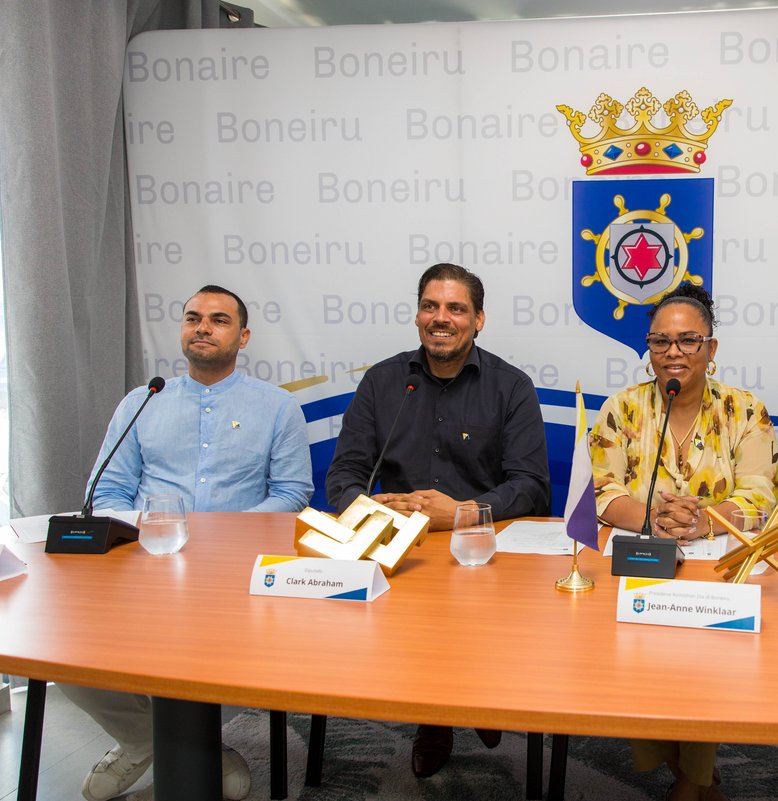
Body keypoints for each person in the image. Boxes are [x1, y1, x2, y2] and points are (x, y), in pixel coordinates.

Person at [61, 285, 313, 801]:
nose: (203, 327)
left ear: (242, 337)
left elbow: (292, 494)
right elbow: (105, 491)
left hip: (234, 574)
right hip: (142, 564)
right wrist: (151, 531)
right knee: (62, 640)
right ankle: (147, 738)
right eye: (193, 317)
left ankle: (184, 743)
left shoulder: (277, 407)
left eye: (218, 320)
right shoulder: (143, 401)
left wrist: (217, 537)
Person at [324, 262, 551, 778]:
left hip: (483, 552)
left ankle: (480, 695)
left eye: (455, 308)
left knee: (474, 610)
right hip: (400, 549)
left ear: (479, 320)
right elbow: (344, 474)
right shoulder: (384, 382)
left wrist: (466, 513)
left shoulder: (510, 386)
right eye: (431, 306)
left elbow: (532, 486)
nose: (440, 318)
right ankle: (436, 719)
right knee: (412, 622)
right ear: (419, 315)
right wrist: (370, 507)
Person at [589, 284, 778, 801]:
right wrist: (652, 517)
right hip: (644, 559)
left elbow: (761, 494)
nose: (672, 352)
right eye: (660, 342)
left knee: (707, 653)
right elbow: (601, 490)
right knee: (641, 645)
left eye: (688, 341)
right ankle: (698, 779)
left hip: (718, 568)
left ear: (712, 350)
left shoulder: (745, 410)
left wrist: (702, 522)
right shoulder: (623, 408)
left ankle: (693, 779)